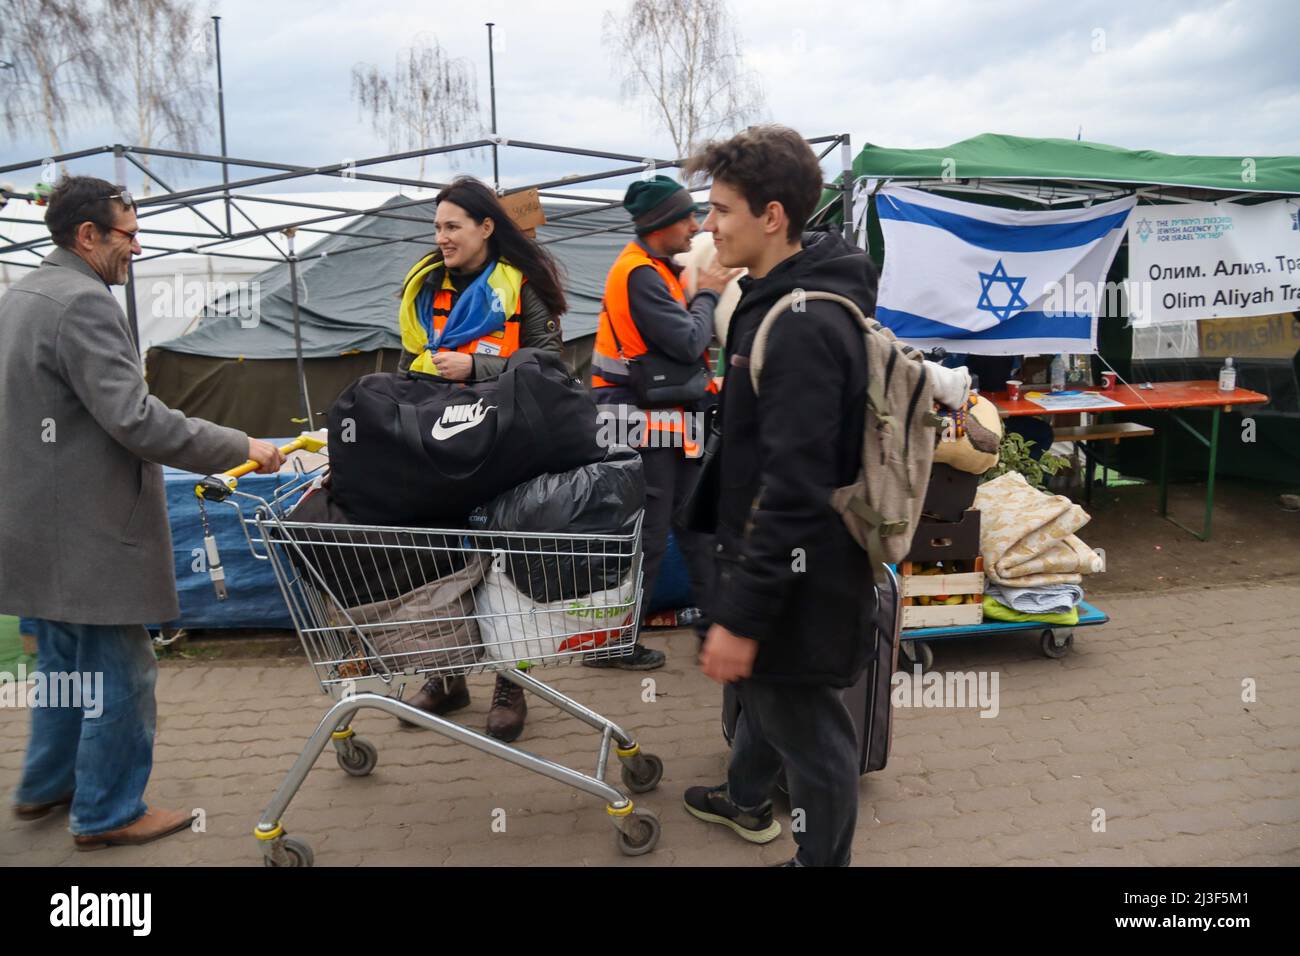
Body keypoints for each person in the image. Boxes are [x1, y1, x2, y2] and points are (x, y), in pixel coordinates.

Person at [0, 176, 284, 850]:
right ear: (88, 235)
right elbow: (136, 419)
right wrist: (238, 445)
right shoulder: (84, 304)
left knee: (66, 667)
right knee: (123, 669)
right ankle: (107, 812)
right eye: (127, 233)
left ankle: (46, 787)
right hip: (90, 534)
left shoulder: (21, 297)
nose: (137, 245)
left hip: (37, 527)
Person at [679, 126, 878, 867]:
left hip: (801, 577)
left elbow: (795, 489)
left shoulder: (800, 325)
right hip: (780, 569)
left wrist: (743, 614)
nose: (707, 225)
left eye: (721, 210)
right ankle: (742, 795)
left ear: (772, 217)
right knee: (768, 699)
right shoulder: (775, 302)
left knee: (816, 742)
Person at [395, 175, 567, 743]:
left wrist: (480, 370)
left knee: (504, 565)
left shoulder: (522, 288)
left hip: (505, 448)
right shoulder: (423, 291)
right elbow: (407, 368)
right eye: (437, 226)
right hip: (440, 448)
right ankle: (446, 678)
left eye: (452, 226)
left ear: (486, 228)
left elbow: (552, 367)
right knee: (440, 563)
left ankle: (510, 681)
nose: (441, 238)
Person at [587, 175, 740, 670]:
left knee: (695, 526)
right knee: (649, 535)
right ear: (660, 225)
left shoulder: (654, 268)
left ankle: (713, 626)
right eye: (687, 218)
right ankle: (615, 641)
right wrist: (710, 294)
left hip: (669, 423)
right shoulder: (638, 274)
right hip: (641, 424)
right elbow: (687, 341)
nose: (696, 227)